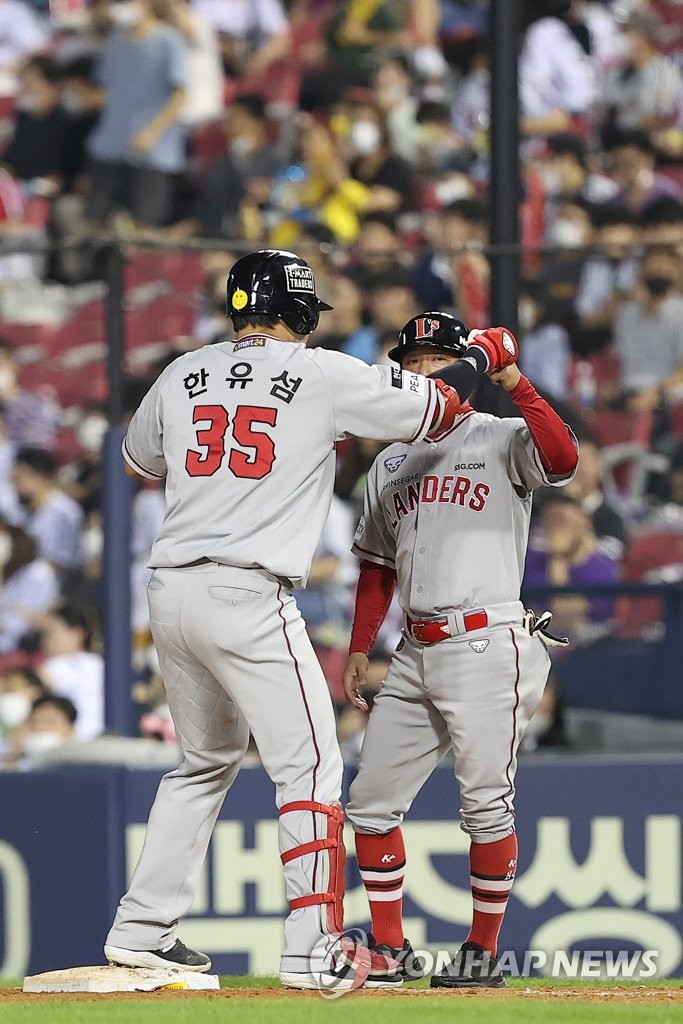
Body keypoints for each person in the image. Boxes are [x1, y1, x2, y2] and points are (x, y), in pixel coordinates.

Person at [103, 249, 507, 991]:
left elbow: (140, 461)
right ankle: (310, 949)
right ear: (296, 312)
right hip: (248, 592)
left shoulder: (181, 369)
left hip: (170, 589)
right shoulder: (321, 373)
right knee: (312, 769)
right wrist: (478, 355)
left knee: (200, 763)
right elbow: (440, 407)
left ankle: (142, 930)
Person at [342, 311, 578, 987]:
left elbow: (561, 459)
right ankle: (389, 948)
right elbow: (376, 565)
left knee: (483, 804)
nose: (418, 372)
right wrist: (362, 646)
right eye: (410, 363)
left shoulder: (501, 435)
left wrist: (515, 380)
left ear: (459, 369)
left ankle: (480, 951)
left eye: (432, 361)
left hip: (485, 640)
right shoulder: (389, 457)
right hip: (414, 648)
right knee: (371, 802)